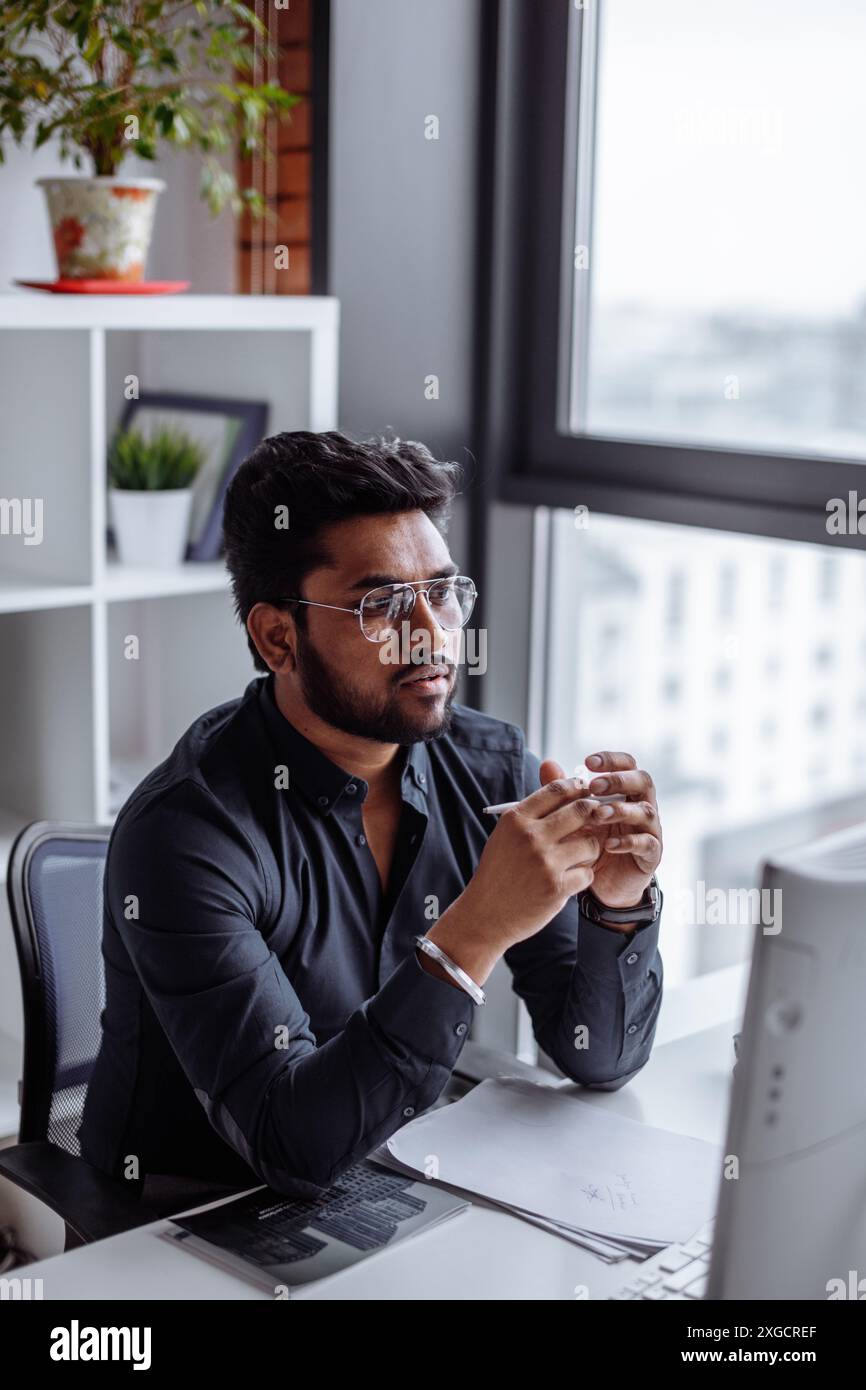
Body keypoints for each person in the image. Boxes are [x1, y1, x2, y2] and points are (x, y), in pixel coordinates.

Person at [79, 430, 664, 1199]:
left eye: (444, 592)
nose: (434, 634)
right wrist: (475, 930)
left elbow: (594, 1058)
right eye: (383, 604)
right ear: (278, 636)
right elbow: (290, 1145)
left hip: (393, 1170)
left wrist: (616, 909)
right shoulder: (187, 833)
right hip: (188, 1217)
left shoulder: (488, 766)